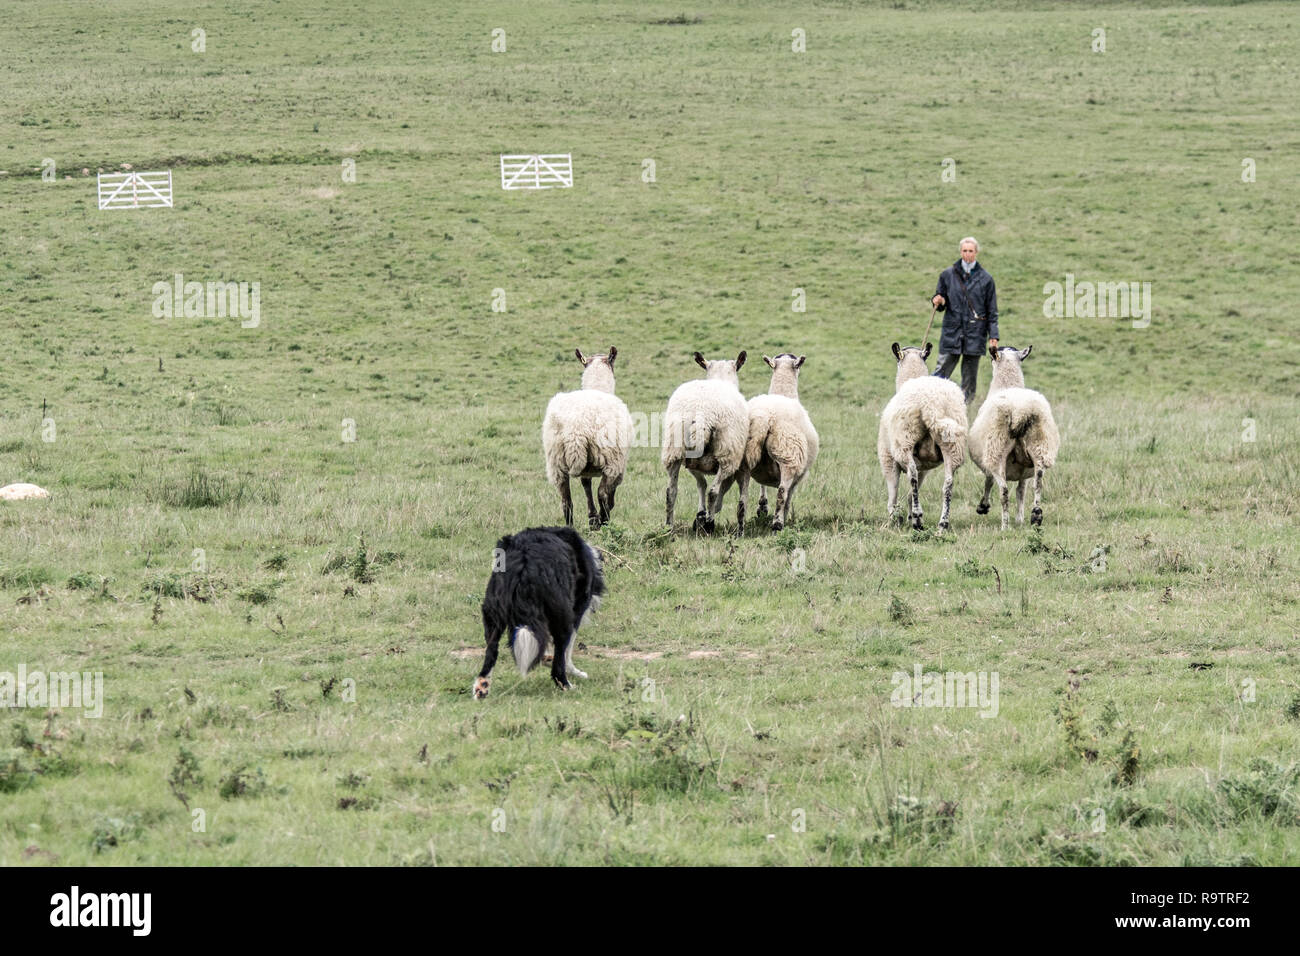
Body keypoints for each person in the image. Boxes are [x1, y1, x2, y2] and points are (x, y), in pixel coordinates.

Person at [930, 237, 998, 404]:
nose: (967, 254)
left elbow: (992, 311)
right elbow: (941, 300)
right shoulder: (947, 275)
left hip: (975, 334)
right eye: (965, 251)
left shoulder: (986, 279)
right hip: (952, 333)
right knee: (940, 375)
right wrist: (938, 301)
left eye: (971, 251)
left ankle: (965, 411)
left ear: (976, 253)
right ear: (960, 252)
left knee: (969, 380)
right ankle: (931, 404)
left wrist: (993, 336)